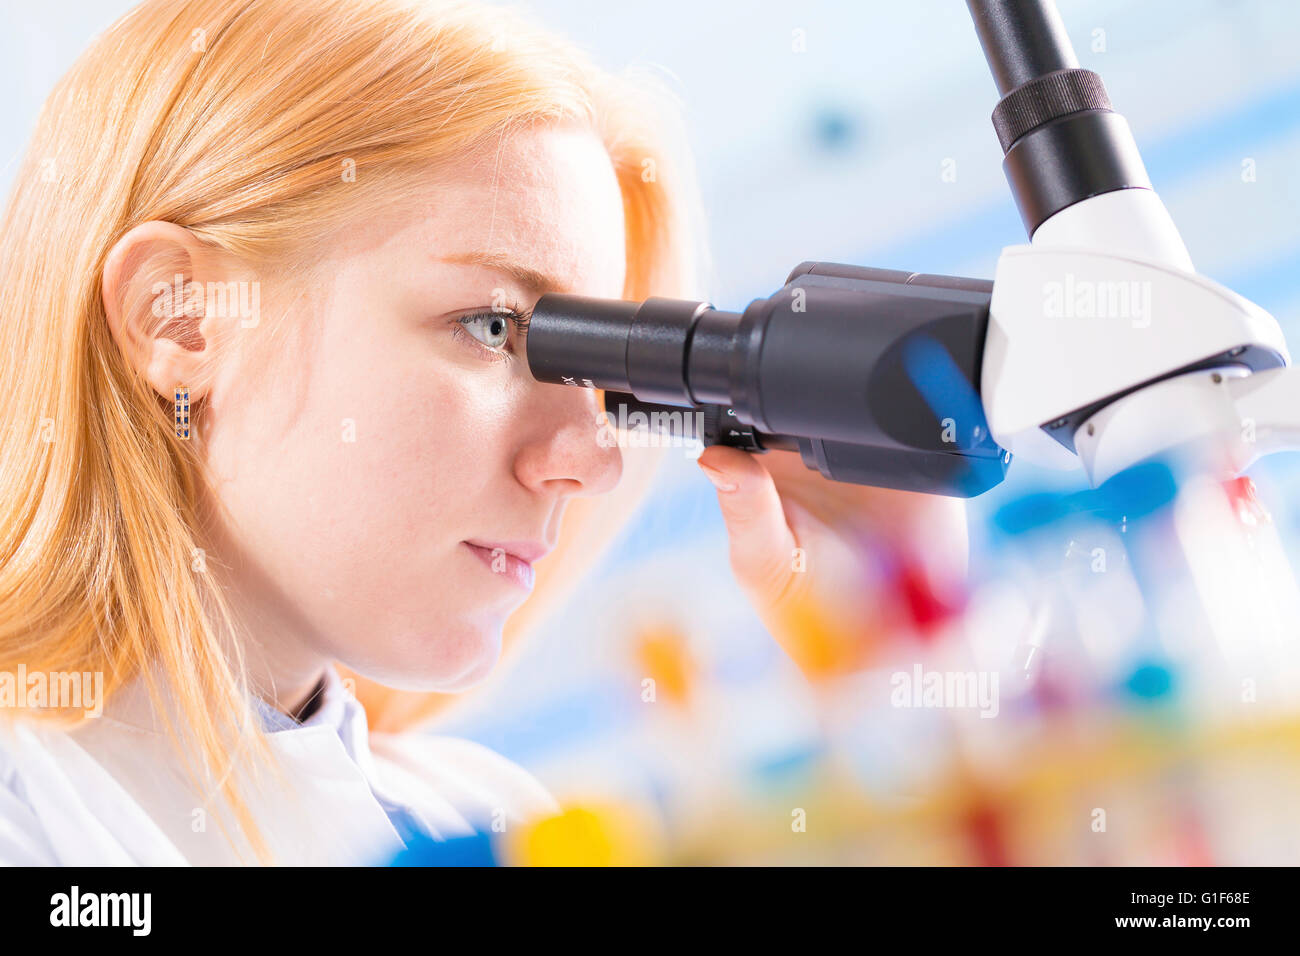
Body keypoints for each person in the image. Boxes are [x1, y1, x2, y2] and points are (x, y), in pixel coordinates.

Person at [0, 0, 967, 865]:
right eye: (494, 327)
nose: (590, 459)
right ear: (182, 318)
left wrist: (898, 656)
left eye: (603, 373)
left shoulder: (484, 816)